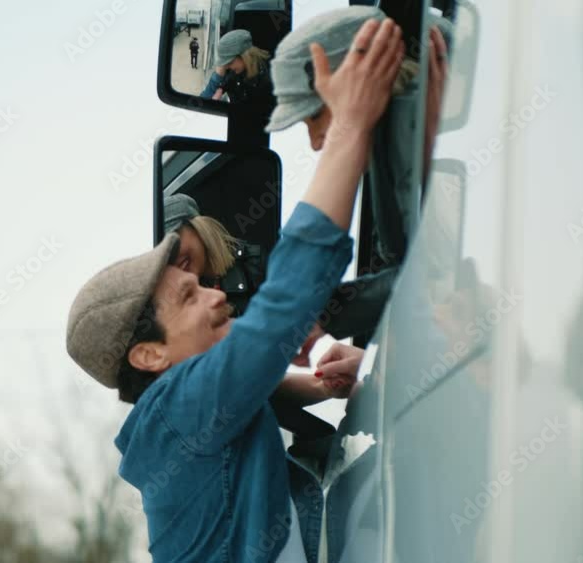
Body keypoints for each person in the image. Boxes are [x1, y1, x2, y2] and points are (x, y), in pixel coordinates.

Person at [65, 17, 404, 562]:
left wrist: (324, 384)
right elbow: (277, 316)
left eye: (202, 283)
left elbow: (251, 383)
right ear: (149, 354)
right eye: (189, 296)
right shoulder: (179, 409)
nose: (218, 295)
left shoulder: (179, 423)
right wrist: (350, 129)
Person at [267, 6, 451, 361]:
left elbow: (439, 277)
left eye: (314, 116)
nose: (316, 143)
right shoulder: (392, 140)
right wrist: (324, 316)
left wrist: (316, 314)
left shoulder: (408, 130)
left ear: (360, 81)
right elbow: (419, 275)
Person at [162, 193, 264, 317]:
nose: (171, 259)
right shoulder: (174, 298)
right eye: (162, 255)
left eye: (172, 243)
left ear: (197, 227)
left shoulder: (257, 264)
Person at [199, 29, 273, 105]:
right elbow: (202, 102)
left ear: (244, 56)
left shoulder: (268, 82)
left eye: (229, 62)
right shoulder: (237, 71)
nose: (226, 67)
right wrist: (220, 87)